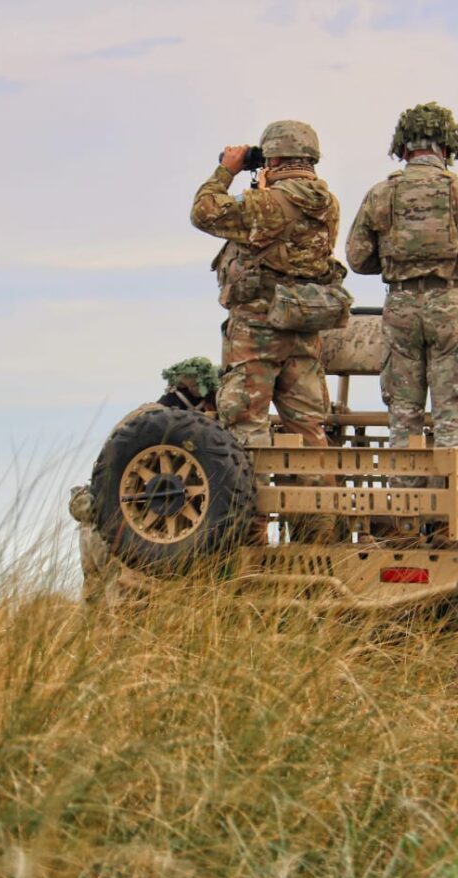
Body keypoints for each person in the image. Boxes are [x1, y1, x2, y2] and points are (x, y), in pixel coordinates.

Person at [346, 102, 458, 455]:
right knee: (452, 413)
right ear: (448, 147)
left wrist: (399, 257)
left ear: (403, 147)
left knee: (403, 415)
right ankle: (450, 503)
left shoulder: (381, 194)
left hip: (400, 305)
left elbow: (357, 258)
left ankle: (405, 505)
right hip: (450, 306)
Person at [190, 120, 341, 449]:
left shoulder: (264, 204)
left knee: (245, 424)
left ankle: (247, 501)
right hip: (302, 327)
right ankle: (317, 494)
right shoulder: (328, 204)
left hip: (258, 330)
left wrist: (226, 171)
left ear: (272, 160)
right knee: (309, 429)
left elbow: (203, 213)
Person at [68, 357, 218, 603]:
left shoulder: (142, 418)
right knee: (127, 617)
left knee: (94, 617)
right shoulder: (173, 431)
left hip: (97, 528)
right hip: (123, 536)